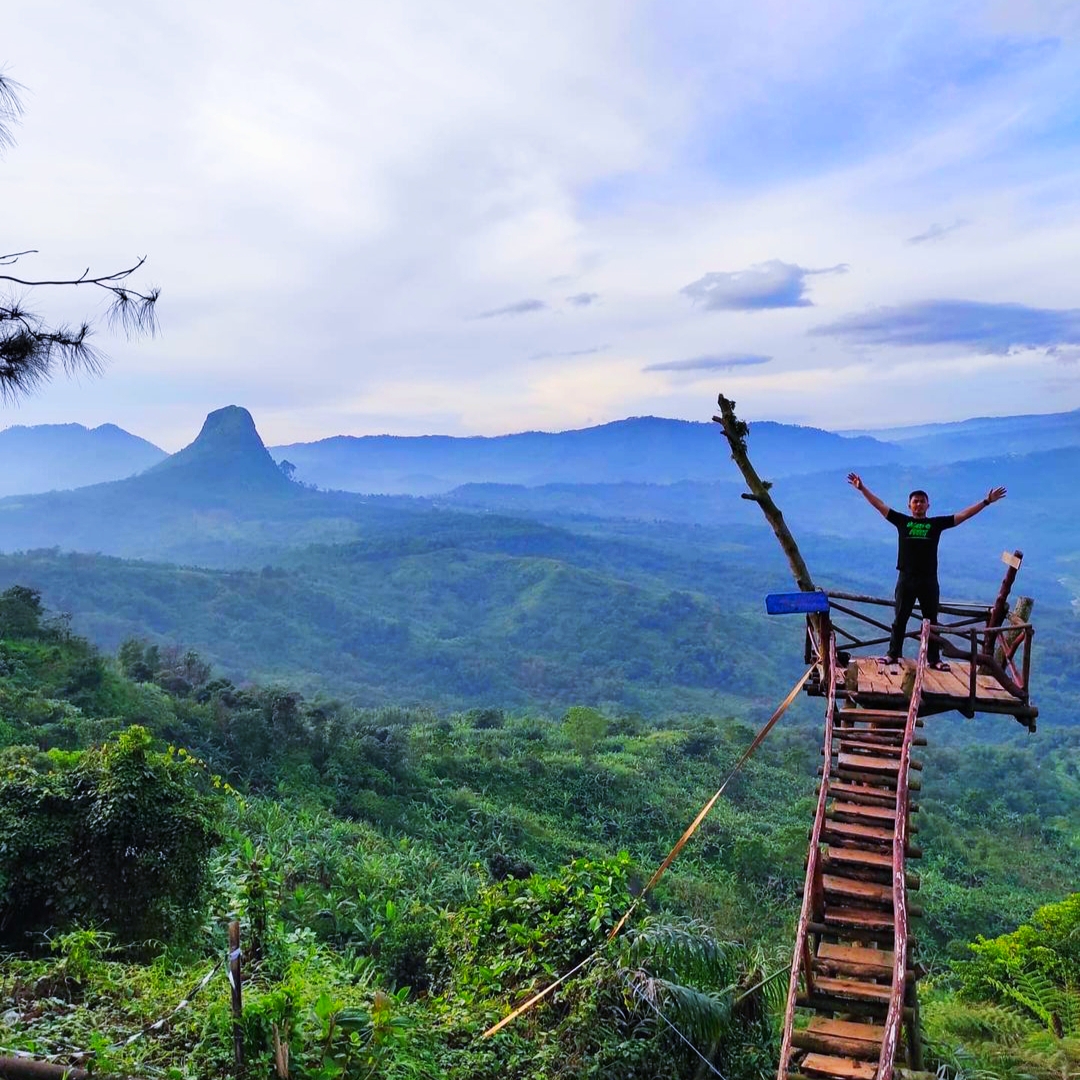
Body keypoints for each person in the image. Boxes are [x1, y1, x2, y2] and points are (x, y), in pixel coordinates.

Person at [846, 474, 1007, 669]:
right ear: (909, 505)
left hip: (929, 580)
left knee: (931, 621)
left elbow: (963, 516)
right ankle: (893, 654)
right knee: (900, 619)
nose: (919, 504)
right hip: (906, 578)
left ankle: (934, 660)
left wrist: (986, 501)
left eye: (922, 502)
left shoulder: (935, 525)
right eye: (915, 502)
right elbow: (879, 505)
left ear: (928, 506)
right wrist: (862, 488)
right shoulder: (902, 522)